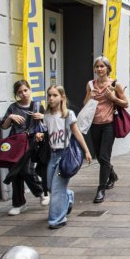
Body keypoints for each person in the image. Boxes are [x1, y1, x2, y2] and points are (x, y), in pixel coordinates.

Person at [44, 85, 92, 229]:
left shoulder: (68, 115)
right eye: (49, 95)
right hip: (52, 155)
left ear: (62, 97)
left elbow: (77, 133)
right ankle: (69, 196)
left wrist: (87, 151)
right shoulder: (46, 115)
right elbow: (45, 132)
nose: (51, 98)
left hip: (64, 156)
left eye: (54, 95)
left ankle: (57, 219)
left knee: (57, 189)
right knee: (50, 186)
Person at [84, 56, 129, 204]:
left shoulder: (115, 84)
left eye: (102, 66)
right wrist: (90, 96)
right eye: (97, 66)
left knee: (104, 157)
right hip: (94, 124)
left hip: (109, 124)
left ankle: (101, 189)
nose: (99, 69)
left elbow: (125, 103)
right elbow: (85, 104)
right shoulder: (91, 84)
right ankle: (113, 175)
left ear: (108, 68)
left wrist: (113, 98)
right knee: (99, 156)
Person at [0, 80, 46, 215]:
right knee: (15, 172)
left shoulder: (37, 106)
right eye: (20, 92)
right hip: (16, 143)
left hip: (32, 141)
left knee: (27, 170)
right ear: (16, 94)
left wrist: (42, 116)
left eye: (25, 90)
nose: (23, 94)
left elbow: (48, 124)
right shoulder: (13, 108)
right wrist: (10, 117)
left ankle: (41, 192)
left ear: (30, 90)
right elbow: (4, 126)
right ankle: (18, 203)